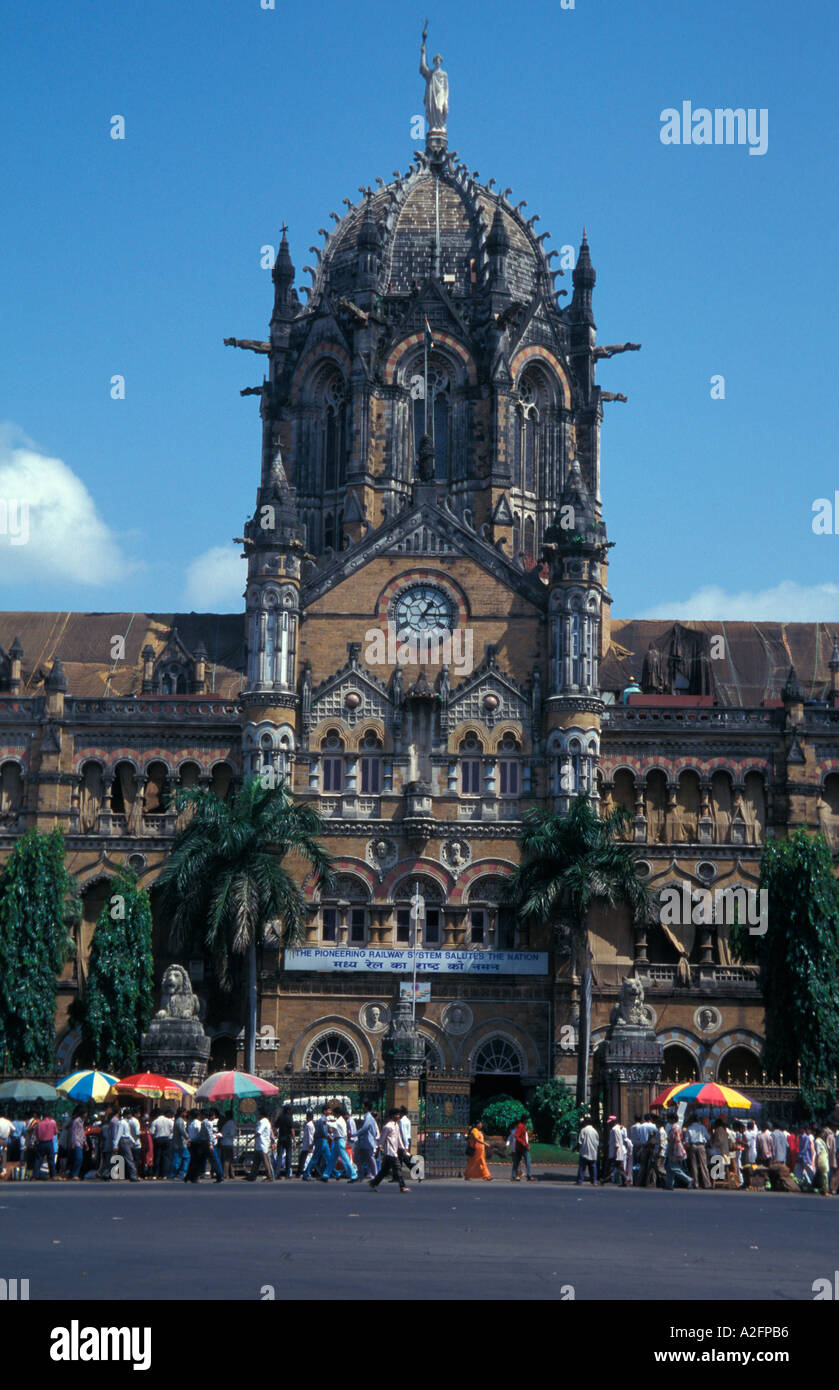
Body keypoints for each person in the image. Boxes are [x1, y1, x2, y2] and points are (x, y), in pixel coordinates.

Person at [369, 1110, 410, 1192]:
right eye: (396, 1114)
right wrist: (377, 1149)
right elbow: (381, 1140)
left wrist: (403, 1148)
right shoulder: (387, 1126)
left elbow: (398, 1138)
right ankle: (402, 1186)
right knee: (397, 1168)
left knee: (384, 1170)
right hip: (389, 1151)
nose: (398, 1116)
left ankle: (373, 1183)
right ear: (392, 1116)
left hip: (394, 1150)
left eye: (399, 1114)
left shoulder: (396, 1125)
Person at [321, 1106, 359, 1183]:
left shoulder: (339, 1121)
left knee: (345, 1159)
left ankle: (354, 1175)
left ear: (337, 1113)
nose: (333, 1114)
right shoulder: (341, 1120)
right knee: (332, 1159)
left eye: (334, 1113)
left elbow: (333, 1125)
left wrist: (326, 1122)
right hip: (338, 1140)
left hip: (339, 1141)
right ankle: (326, 1175)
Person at [665, 1114, 693, 1189]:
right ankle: (669, 1184)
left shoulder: (675, 1128)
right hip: (674, 1149)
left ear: (673, 1119)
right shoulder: (676, 1127)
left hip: (674, 1149)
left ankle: (688, 1179)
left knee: (674, 1168)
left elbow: (675, 1139)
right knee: (669, 1168)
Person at [684, 1112, 711, 1189]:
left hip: (693, 1146)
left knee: (694, 1165)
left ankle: (696, 1183)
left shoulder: (689, 1128)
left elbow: (687, 1141)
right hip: (701, 1146)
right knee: (704, 1165)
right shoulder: (702, 1127)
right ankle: (707, 1184)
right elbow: (708, 1137)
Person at [305, 1106, 332, 1180]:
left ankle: (333, 1174)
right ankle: (306, 1174)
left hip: (322, 1140)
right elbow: (324, 1132)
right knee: (315, 1159)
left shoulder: (321, 1120)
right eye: (329, 1110)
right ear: (324, 1111)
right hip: (322, 1140)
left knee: (329, 1158)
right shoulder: (323, 1120)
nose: (330, 1111)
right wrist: (330, 1136)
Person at [248, 1108, 275, 1182]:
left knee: (265, 1162)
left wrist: (251, 1139)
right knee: (256, 1162)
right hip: (260, 1145)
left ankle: (269, 1176)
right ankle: (252, 1176)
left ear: (261, 1114)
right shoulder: (266, 1122)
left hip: (262, 1145)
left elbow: (259, 1133)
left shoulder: (262, 1122)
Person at [354, 1105, 380, 1180]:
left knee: (370, 1159)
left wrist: (354, 1134)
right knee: (360, 1159)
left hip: (368, 1142)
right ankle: (361, 1175)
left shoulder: (369, 1118)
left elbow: (364, 1129)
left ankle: (375, 1175)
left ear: (366, 1108)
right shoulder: (369, 1118)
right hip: (365, 1142)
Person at [33, 1108, 57, 1180]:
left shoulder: (38, 1124)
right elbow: (56, 1132)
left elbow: (35, 1134)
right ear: (49, 1116)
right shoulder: (53, 1123)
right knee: (51, 1160)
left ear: (42, 1116)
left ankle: (35, 1176)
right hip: (49, 1143)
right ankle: (53, 1176)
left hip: (41, 1143)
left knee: (38, 1160)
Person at [274, 1104, 296, 1179]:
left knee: (279, 1156)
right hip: (288, 1138)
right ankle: (287, 1174)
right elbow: (292, 1130)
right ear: (288, 1110)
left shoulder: (280, 1117)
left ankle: (277, 1173)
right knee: (288, 1156)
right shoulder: (290, 1118)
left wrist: (273, 1138)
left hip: (281, 1138)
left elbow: (275, 1127)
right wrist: (294, 1141)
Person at [576, 1116, 599, 1186]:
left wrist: (576, 1148)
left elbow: (580, 1142)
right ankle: (594, 1181)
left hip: (584, 1151)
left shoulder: (583, 1130)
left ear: (586, 1122)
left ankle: (580, 1181)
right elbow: (597, 1142)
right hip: (593, 1152)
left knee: (582, 1167)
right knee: (593, 1167)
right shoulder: (595, 1131)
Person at [150, 1110, 173, 1179]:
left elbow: (152, 1132)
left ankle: (156, 1174)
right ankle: (164, 1174)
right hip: (167, 1139)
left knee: (157, 1156)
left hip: (158, 1139)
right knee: (166, 1157)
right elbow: (172, 1130)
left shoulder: (155, 1121)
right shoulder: (169, 1121)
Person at [170, 1108, 190, 1180]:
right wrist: (188, 1137)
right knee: (186, 1157)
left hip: (177, 1143)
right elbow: (182, 1131)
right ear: (182, 1113)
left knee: (177, 1158)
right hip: (180, 1143)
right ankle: (181, 1173)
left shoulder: (177, 1120)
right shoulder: (180, 1121)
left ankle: (173, 1174)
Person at [511, 1114, 532, 1182]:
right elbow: (516, 1136)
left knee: (516, 1162)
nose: (528, 1120)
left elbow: (522, 1137)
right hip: (522, 1147)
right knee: (528, 1161)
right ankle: (529, 1176)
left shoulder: (522, 1126)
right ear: (525, 1119)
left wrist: (526, 1143)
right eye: (527, 1119)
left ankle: (513, 1176)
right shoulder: (521, 1126)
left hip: (520, 1146)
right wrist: (524, 1143)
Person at [297, 1111, 316, 1178]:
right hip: (306, 1144)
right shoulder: (310, 1124)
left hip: (307, 1145)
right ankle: (302, 1171)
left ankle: (302, 1172)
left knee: (304, 1159)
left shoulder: (309, 1125)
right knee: (303, 1159)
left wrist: (310, 1145)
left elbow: (310, 1136)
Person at [69, 1109, 86, 1180]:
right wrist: (73, 1143)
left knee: (78, 1158)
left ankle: (75, 1174)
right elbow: (74, 1132)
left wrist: (85, 1142)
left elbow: (82, 1132)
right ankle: (74, 1174)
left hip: (81, 1142)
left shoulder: (82, 1121)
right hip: (77, 1142)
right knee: (79, 1158)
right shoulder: (76, 1121)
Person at [221, 1111, 237, 1179]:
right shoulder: (231, 1123)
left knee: (227, 1159)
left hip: (225, 1142)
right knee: (228, 1159)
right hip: (228, 1143)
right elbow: (232, 1133)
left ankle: (229, 1173)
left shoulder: (227, 1124)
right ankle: (227, 1174)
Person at [397, 1106, 412, 1172]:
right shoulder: (408, 1120)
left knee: (402, 1158)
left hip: (403, 1141)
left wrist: (406, 1146)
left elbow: (403, 1133)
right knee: (401, 1158)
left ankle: (416, 1170)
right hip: (408, 1139)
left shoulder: (401, 1121)